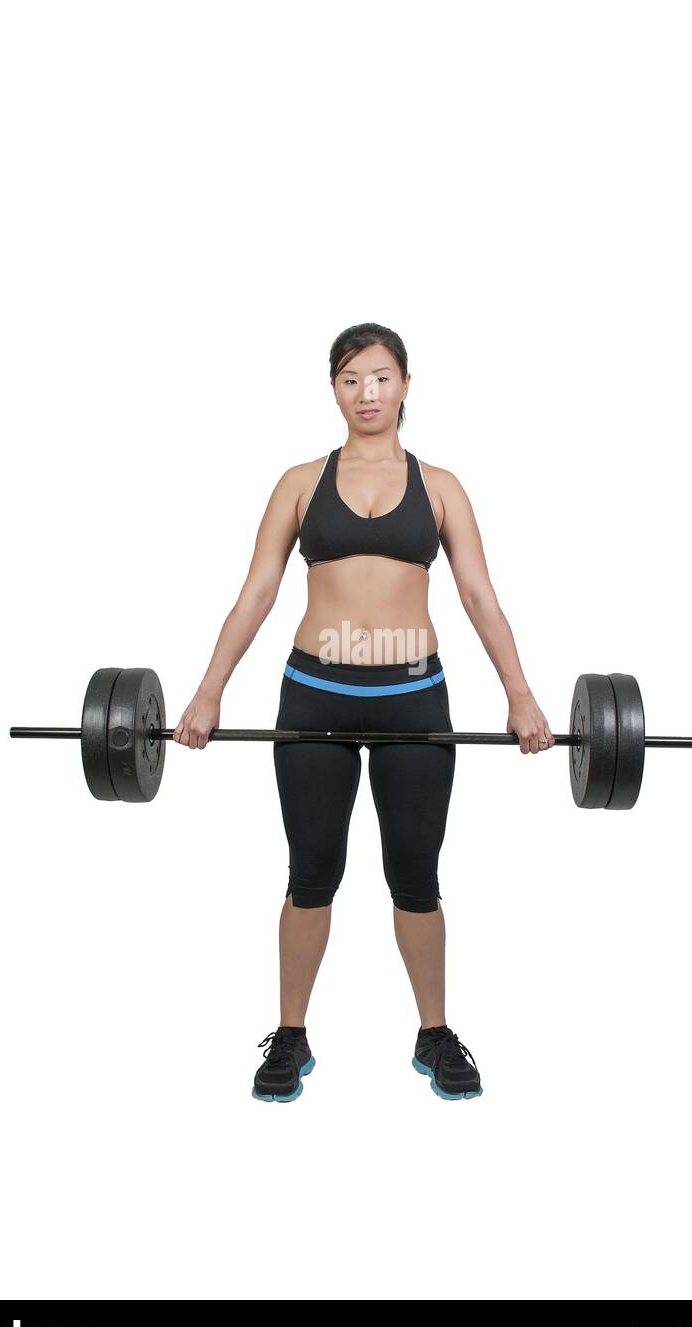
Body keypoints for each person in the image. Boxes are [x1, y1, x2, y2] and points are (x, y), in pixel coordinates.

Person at [172, 323, 554, 1103]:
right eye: (350, 380)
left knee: (415, 876)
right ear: (334, 390)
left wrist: (519, 694)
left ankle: (434, 1035)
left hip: (414, 699)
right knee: (311, 874)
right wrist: (210, 689)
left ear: (406, 384)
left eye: (379, 378)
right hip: (315, 694)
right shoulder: (298, 482)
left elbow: (480, 595)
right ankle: (290, 1037)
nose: (366, 393)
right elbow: (258, 590)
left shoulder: (440, 485)